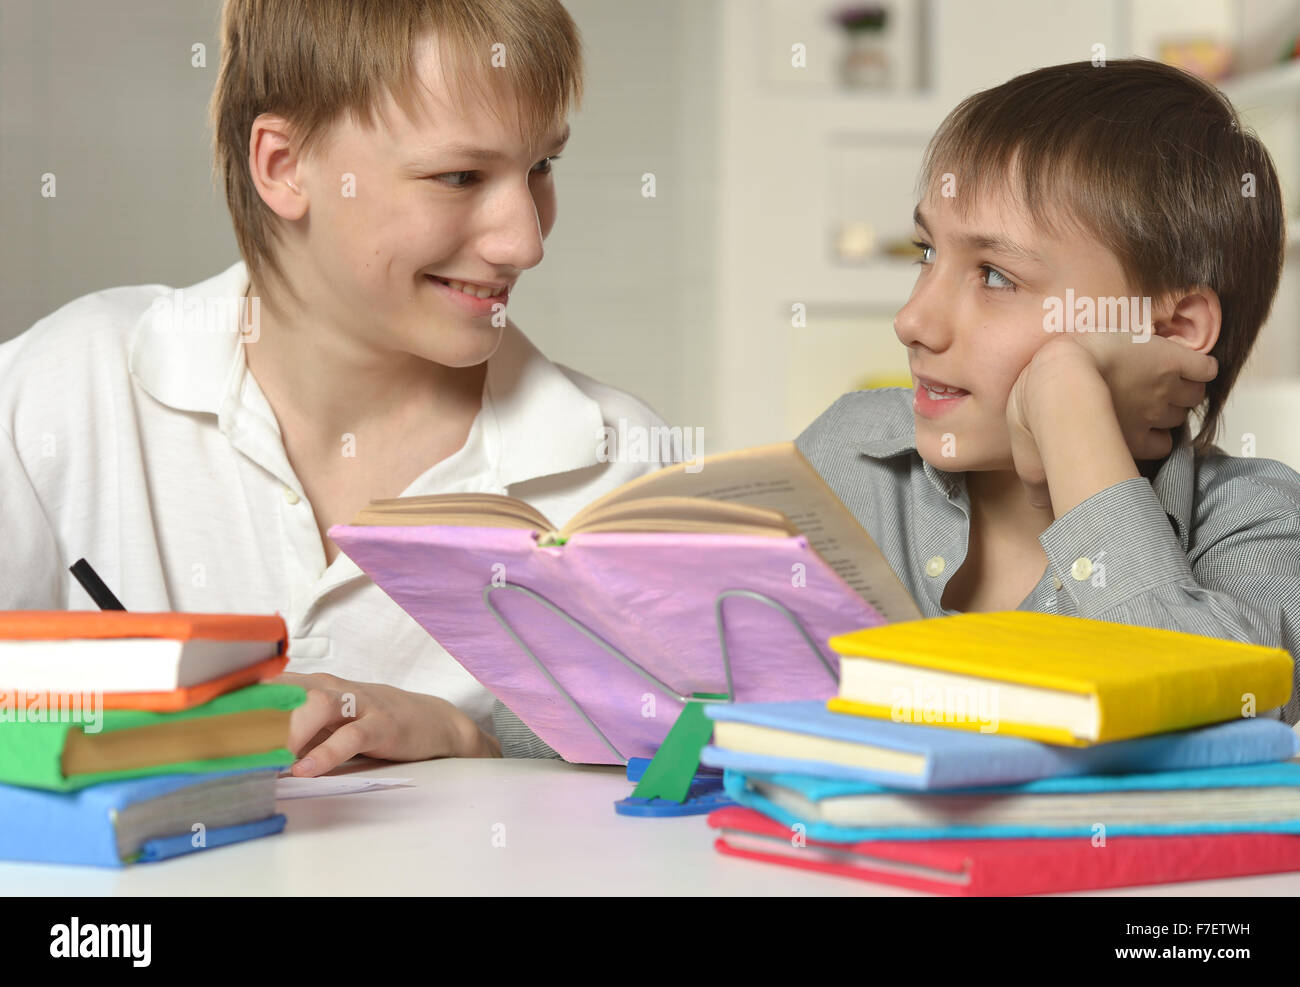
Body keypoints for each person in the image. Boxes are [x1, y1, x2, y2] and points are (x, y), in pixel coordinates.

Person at [0, 0, 663, 767]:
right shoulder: (58, 391)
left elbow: (668, 822)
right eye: (459, 175)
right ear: (283, 166)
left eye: (541, 167)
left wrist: (470, 742)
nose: (525, 240)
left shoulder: (623, 472)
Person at [798, 58, 1300, 723]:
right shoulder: (850, 456)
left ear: (1174, 330)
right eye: (927, 253)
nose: (913, 320)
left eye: (997, 276)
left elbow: (1203, 715)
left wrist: (1071, 414)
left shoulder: (1255, 522)